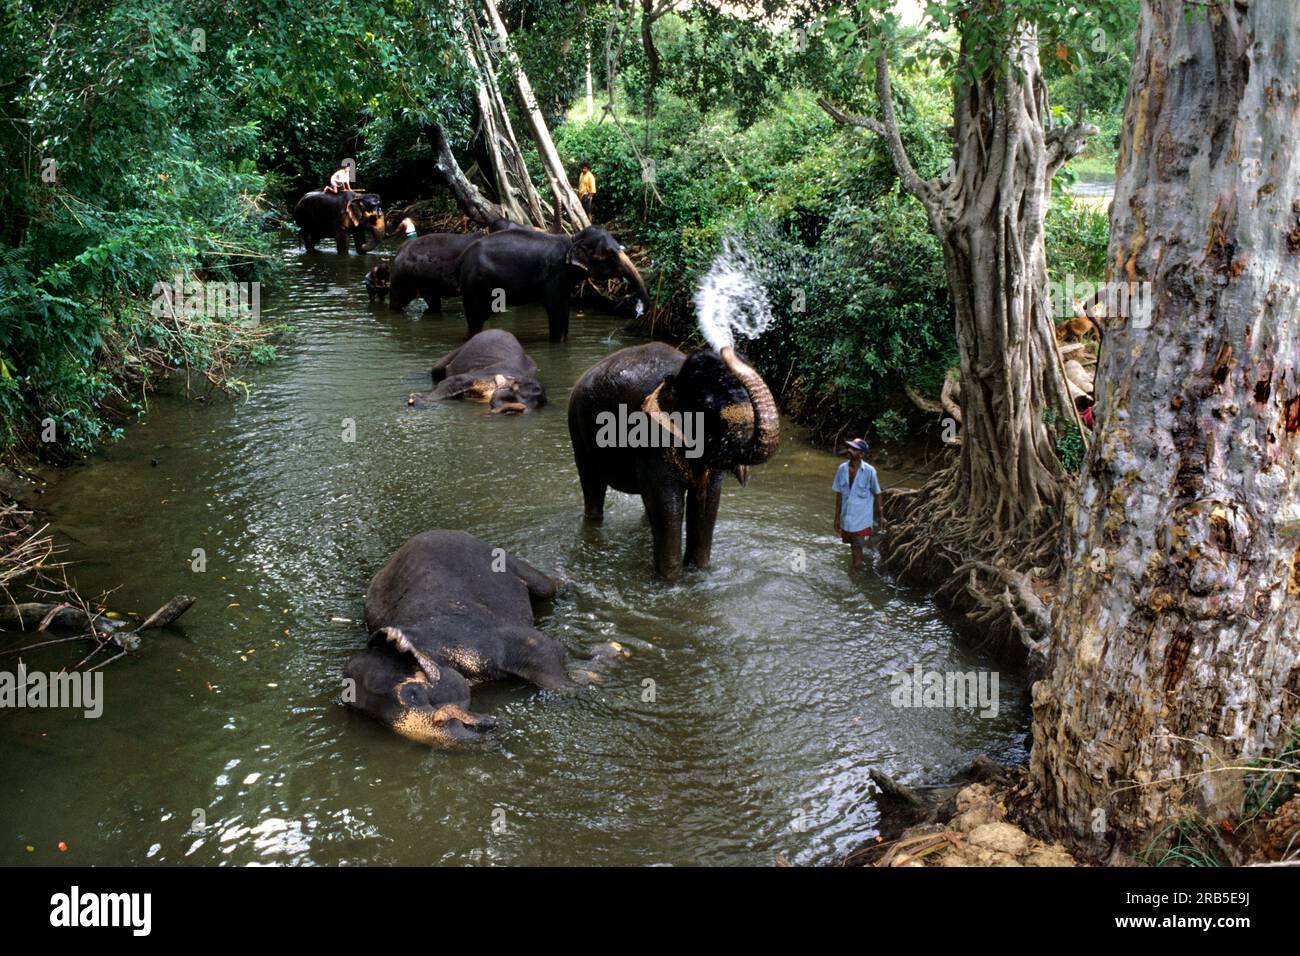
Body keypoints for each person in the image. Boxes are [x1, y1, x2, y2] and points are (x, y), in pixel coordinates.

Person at [832, 438, 883, 571]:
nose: (849, 450)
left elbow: (877, 494)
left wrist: (881, 517)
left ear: (861, 454)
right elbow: (839, 495)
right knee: (854, 548)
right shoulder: (842, 469)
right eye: (849, 447)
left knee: (856, 552)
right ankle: (860, 571)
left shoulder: (870, 471)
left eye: (854, 449)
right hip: (847, 520)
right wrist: (837, 518)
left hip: (862, 521)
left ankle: (855, 579)